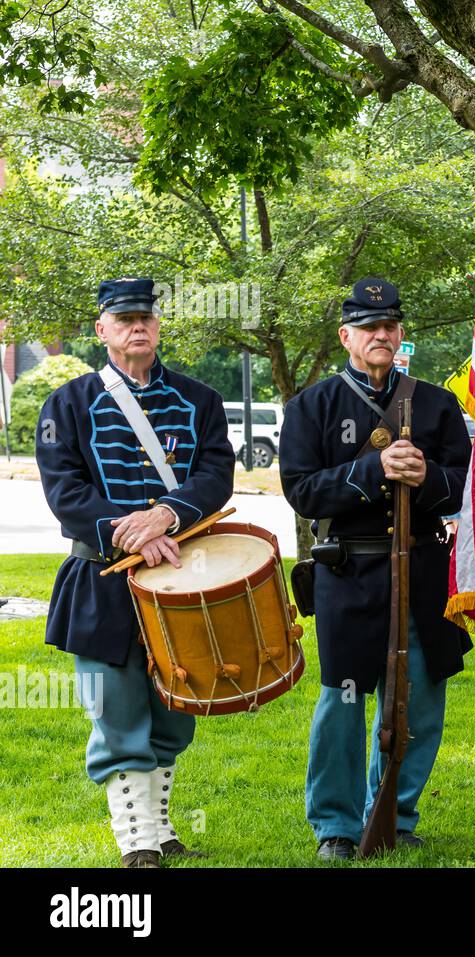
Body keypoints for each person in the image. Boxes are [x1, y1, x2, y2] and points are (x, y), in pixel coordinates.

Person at [36, 277, 235, 867]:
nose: (136, 326)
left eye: (144, 316)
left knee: (175, 711)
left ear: (157, 324)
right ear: (102, 330)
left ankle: (162, 829)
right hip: (103, 580)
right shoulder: (66, 404)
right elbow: (65, 491)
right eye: (122, 319)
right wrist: (132, 532)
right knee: (119, 713)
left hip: (180, 580)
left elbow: (215, 474)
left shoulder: (200, 400)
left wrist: (168, 514)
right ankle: (138, 844)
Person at [279, 277, 471, 860]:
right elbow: (301, 491)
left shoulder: (437, 404)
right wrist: (372, 472)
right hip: (350, 570)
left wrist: (426, 479)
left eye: (389, 326)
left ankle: (397, 811)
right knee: (342, 699)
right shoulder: (311, 405)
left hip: (424, 566)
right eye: (367, 327)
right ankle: (336, 825)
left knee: (421, 697)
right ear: (346, 336)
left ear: (401, 334)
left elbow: (466, 485)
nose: (380, 335)